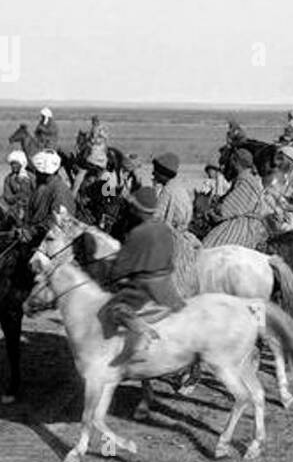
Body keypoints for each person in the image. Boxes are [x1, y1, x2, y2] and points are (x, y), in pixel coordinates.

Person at [97, 186, 185, 368]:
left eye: (134, 207)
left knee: (115, 309)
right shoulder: (164, 228)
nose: (131, 210)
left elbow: (121, 267)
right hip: (168, 284)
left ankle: (142, 336)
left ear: (139, 209)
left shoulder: (139, 233)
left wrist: (109, 274)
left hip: (147, 288)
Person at [201, 147, 267, 248]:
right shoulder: (248, 179)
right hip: (245, 224)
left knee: (208, 248)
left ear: (235, 162)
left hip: (241, 228)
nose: (225, 167)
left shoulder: (246, 181)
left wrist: (212, 211)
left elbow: (226, 210)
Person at [24, 149, 75, 239]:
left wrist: (32, 231)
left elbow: (58, 219)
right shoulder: (41, 187)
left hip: (53, 241)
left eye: (36, 171)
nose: (35, 174)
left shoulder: (60, 189)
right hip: (38, 236)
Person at [150, 152, 193, 232]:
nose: (153, 174)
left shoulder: (167, 191)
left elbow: (157, 218)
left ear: (163, 173)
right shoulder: (179, 187)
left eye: (155, 171)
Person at [0, 149, 33, 222]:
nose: (13, 166)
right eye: (12, 164)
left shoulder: (31, 177)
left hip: (31, 209)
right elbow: (7, 196)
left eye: (16, 164)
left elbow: (37, 192)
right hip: (14, 210)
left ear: (22, 164)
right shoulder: (8, 179)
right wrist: (18, 197)